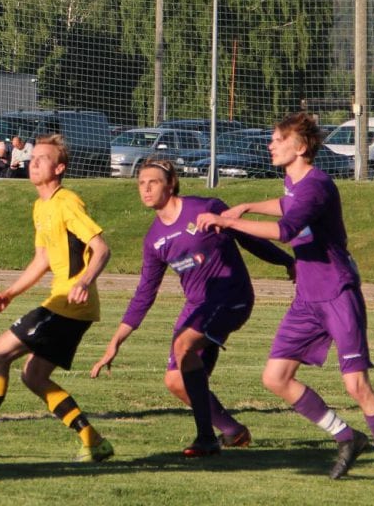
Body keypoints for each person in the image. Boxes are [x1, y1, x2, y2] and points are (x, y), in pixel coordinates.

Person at [194, 112, 374, 485]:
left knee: (356, 385)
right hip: (307, 299)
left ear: (301, 147)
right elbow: (285, 203)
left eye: (278, 139)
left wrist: (228, 222)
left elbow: (284, 229)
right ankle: (347, 437)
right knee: (275, 377)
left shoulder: (318, 186)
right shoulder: (295, 183)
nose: (270, 144)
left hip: (337, 294)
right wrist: (244, 205)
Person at [90, 158, 294, 455]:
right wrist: (115, 341)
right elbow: (145, 293)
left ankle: (206, 440)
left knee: (183, 345)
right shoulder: (154, 240)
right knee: (175, 381)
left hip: (231, 297)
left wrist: (287, 262)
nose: (145, 189)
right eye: (141, 184)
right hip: (197, 307)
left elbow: (248, 237)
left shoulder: (204, 207)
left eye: (153, 182)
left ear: (171, 184)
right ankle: (232, 431)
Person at [0, 134, 114, 464]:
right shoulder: (40, 206)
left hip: (69, 304)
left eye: (43, 159)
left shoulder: (66, 202)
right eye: (33, 158)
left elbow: (102, 248)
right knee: (34, 377)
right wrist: (10, 293)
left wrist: (86, 280)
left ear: (59, 168)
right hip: (69, 305)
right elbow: (42, 260)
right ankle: (94, 442)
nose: (34, 163)